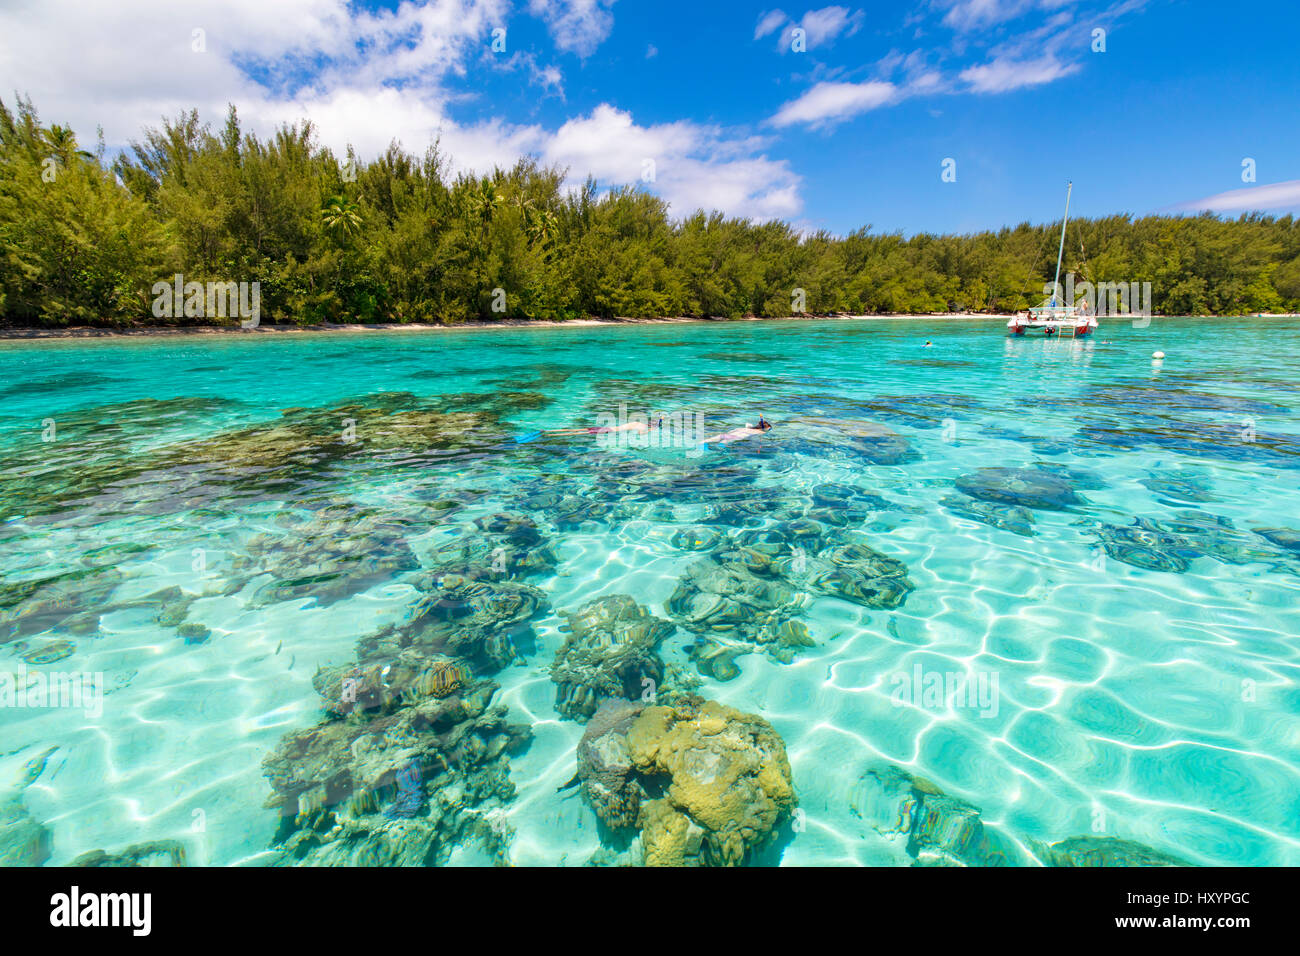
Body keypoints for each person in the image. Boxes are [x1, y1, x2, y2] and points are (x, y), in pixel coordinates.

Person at [699, 416, 772, 447]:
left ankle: (699, 444)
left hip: (727, 434)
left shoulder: (749, 427)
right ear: (765, 429)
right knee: (720, 447)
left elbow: (747, 424)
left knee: (705, 441)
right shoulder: (761, 432)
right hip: (734, 437)